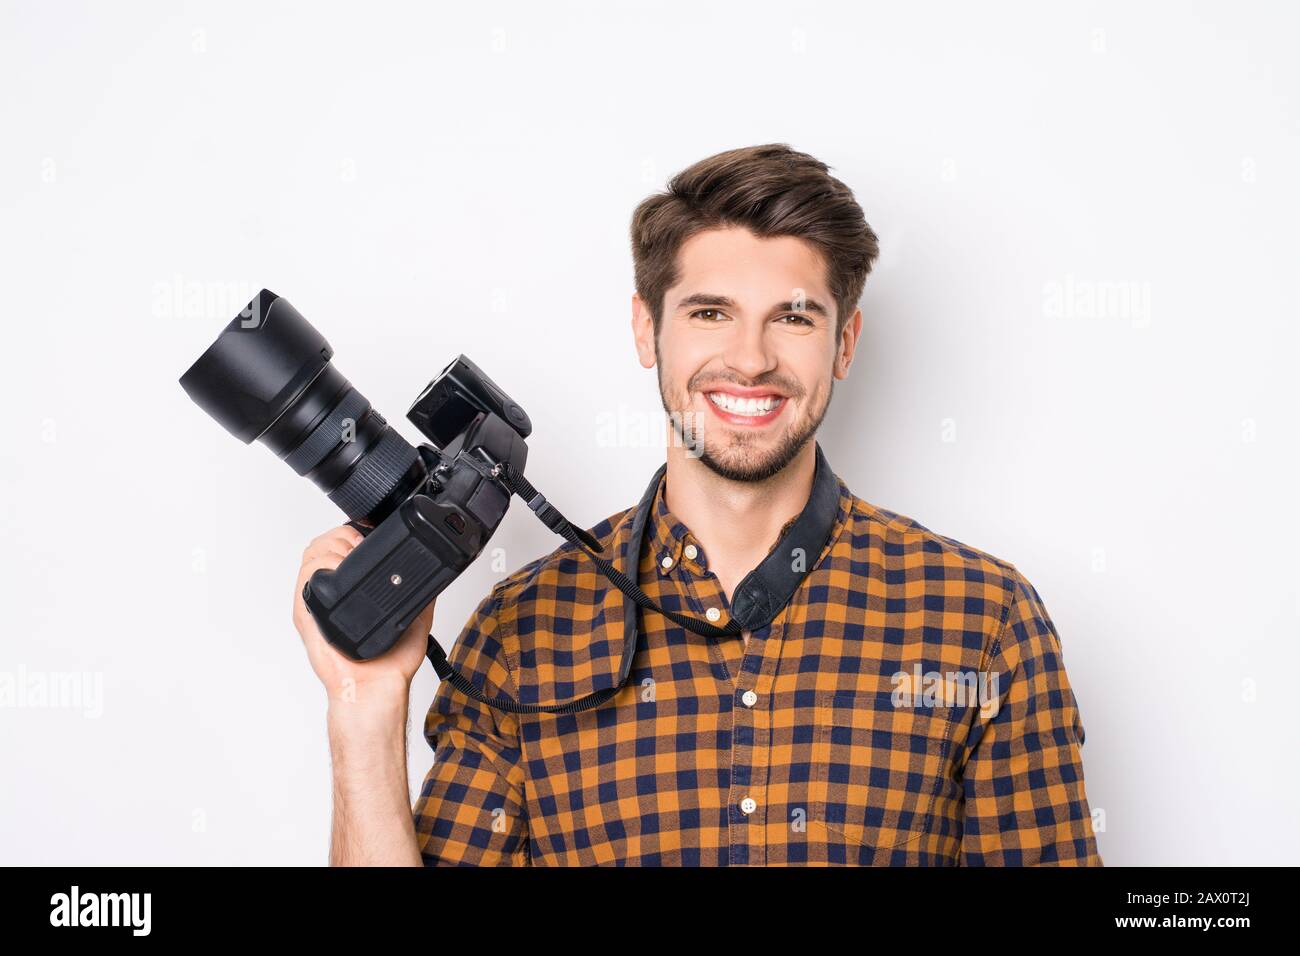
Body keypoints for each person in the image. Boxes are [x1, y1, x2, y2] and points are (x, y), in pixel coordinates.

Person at [292, 144, 1103, 866]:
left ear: (844, 344)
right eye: (710, 313)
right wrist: (362, 711)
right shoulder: (521, 634)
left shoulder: (981, 620)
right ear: (648, 331)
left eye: (792, 317)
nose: (749, 360)